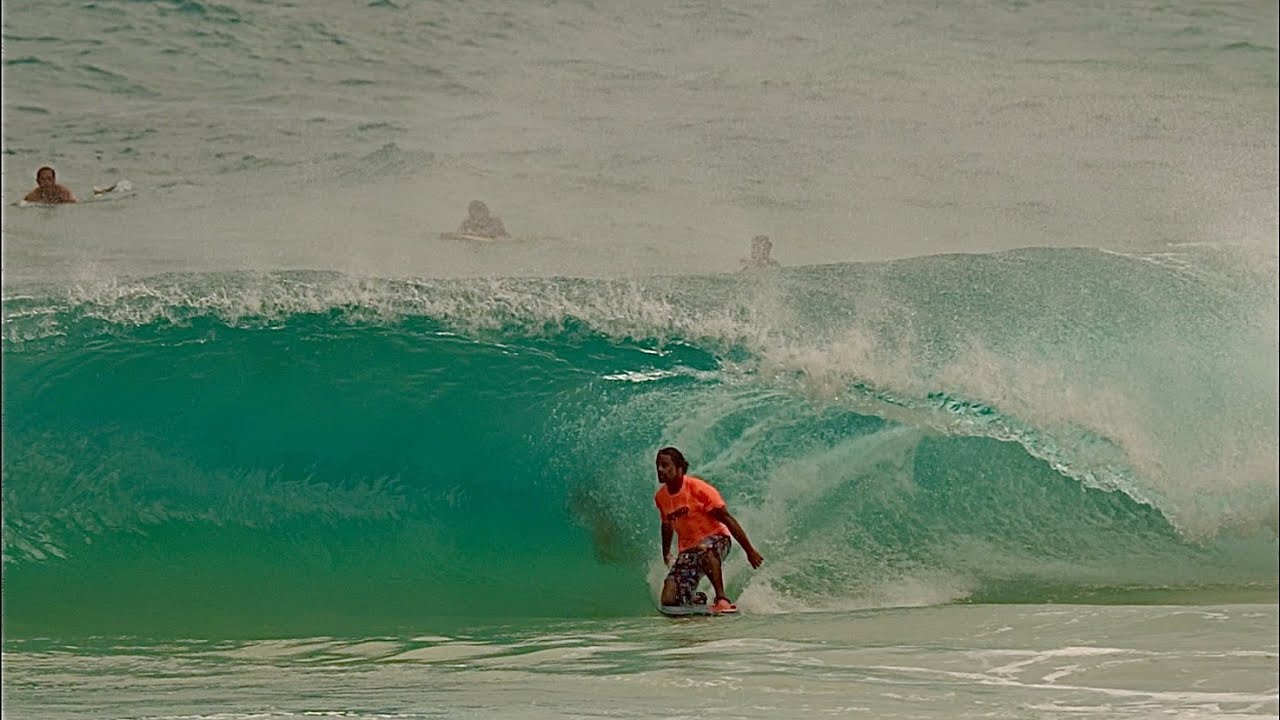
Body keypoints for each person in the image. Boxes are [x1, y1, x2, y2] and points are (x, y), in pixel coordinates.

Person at [654, 446, 764, 613]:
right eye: (658, 465)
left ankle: (722, 599)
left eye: (665, 465)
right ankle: (696, 598)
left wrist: (750, 551)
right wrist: (666, 553)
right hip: (688, 550)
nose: (660, 469)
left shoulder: (698, 489)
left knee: (705, 549)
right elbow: (667, 525)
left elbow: (728, 519)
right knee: (669, 600)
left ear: (679, 468)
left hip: (717, 540)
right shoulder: (661, 497)